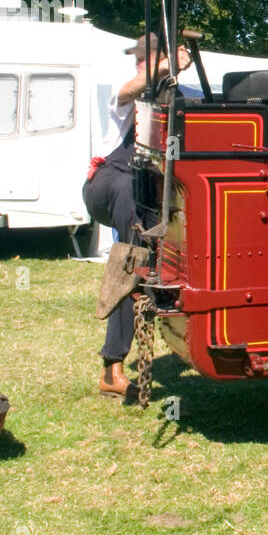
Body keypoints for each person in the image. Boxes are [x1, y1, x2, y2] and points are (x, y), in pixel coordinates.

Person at [84, 33, 191, 397]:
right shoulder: (125, 88)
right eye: (148, 62)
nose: (143, 66)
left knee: (151, 258)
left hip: (144, 187)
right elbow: (130, 90)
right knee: (133, 261)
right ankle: (112, 368)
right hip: (109, 184)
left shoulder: (172, 94)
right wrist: (166, 64)